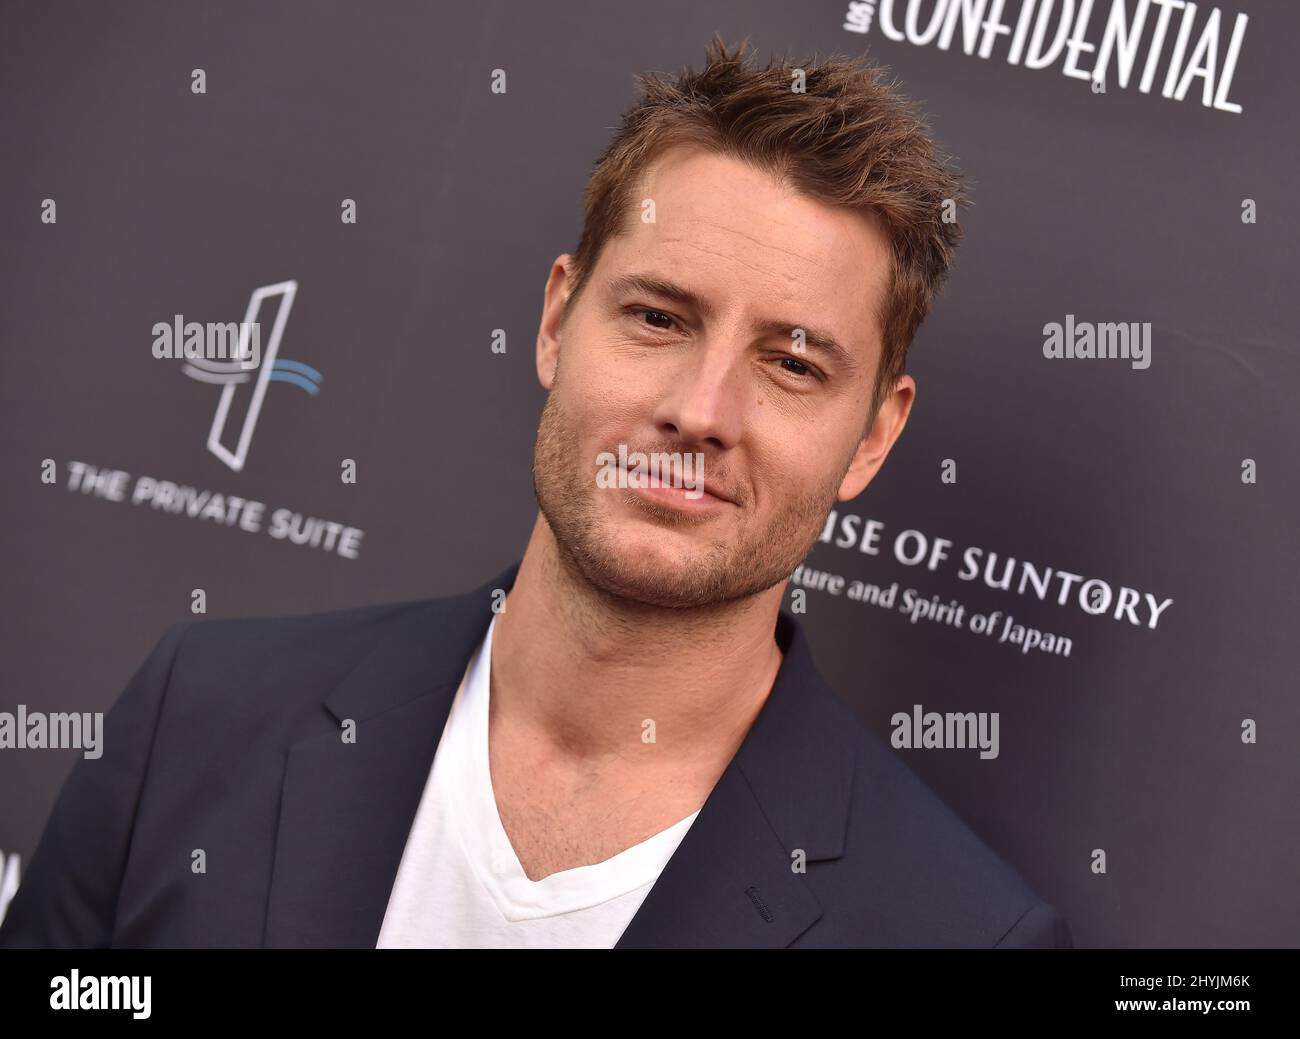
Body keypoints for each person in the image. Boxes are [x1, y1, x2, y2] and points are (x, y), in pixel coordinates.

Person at [1, 34, 1071, 949]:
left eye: (792, 364)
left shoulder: (958, 934)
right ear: (557, 320)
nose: (701, 410)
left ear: (873, 437)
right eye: (657, 317)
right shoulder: (198, 721)